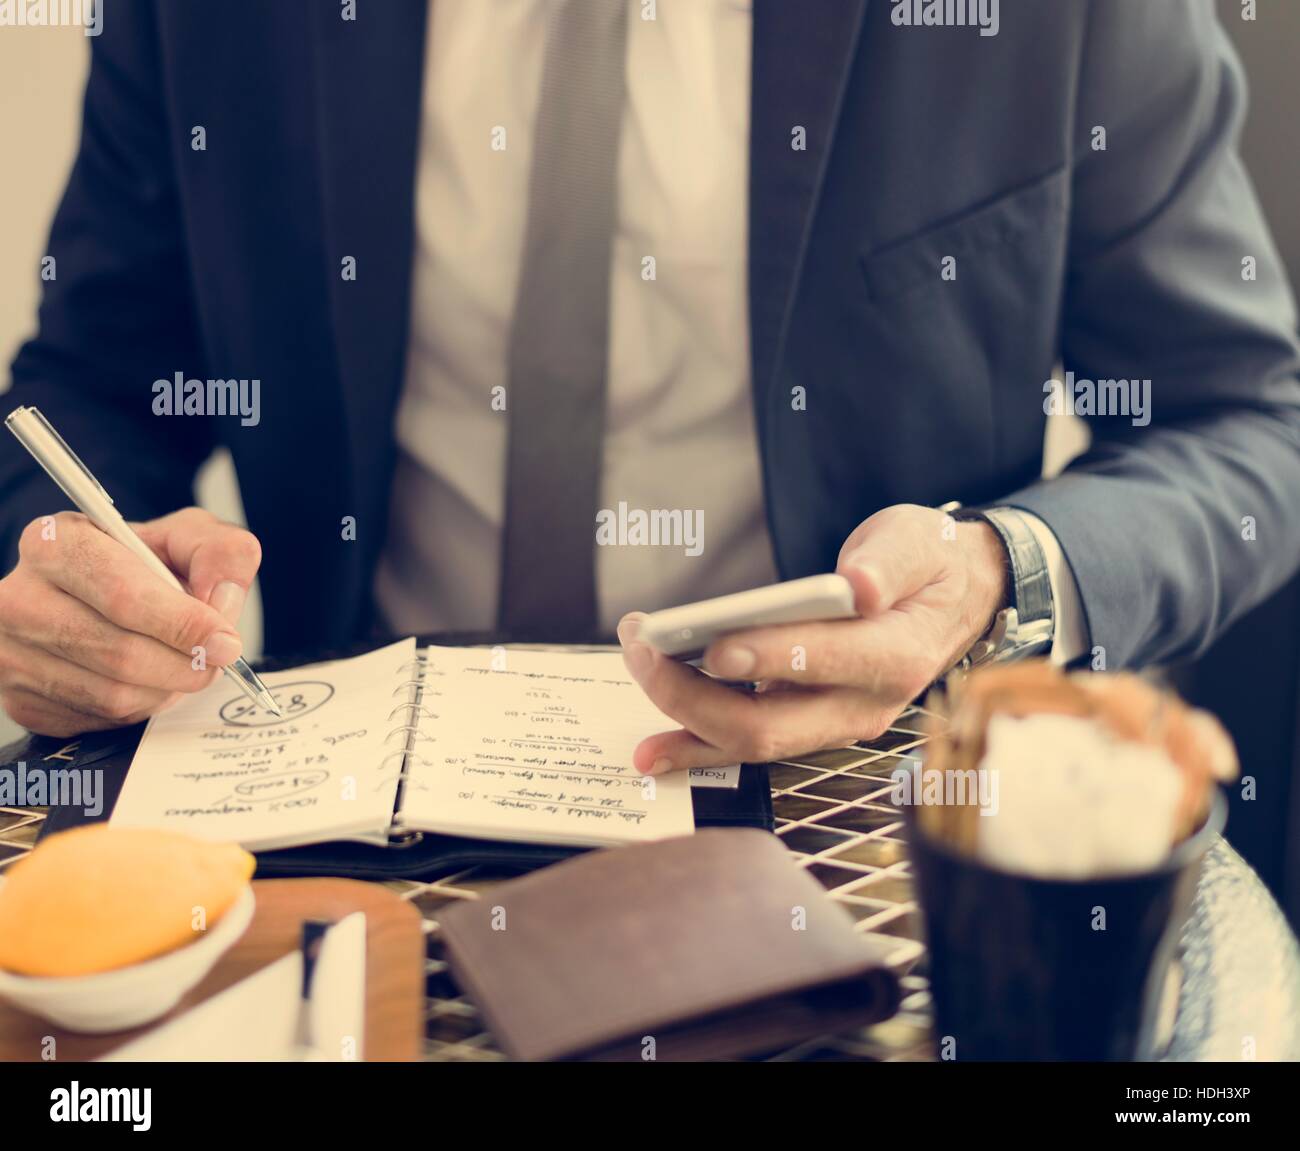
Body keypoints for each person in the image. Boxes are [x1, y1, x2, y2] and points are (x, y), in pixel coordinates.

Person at [1, 1, 1298, 779]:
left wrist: (995, 581)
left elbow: (1250, 425)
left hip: (853, 784)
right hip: (345, 793)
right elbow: (81, 398)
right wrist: (55, 578)